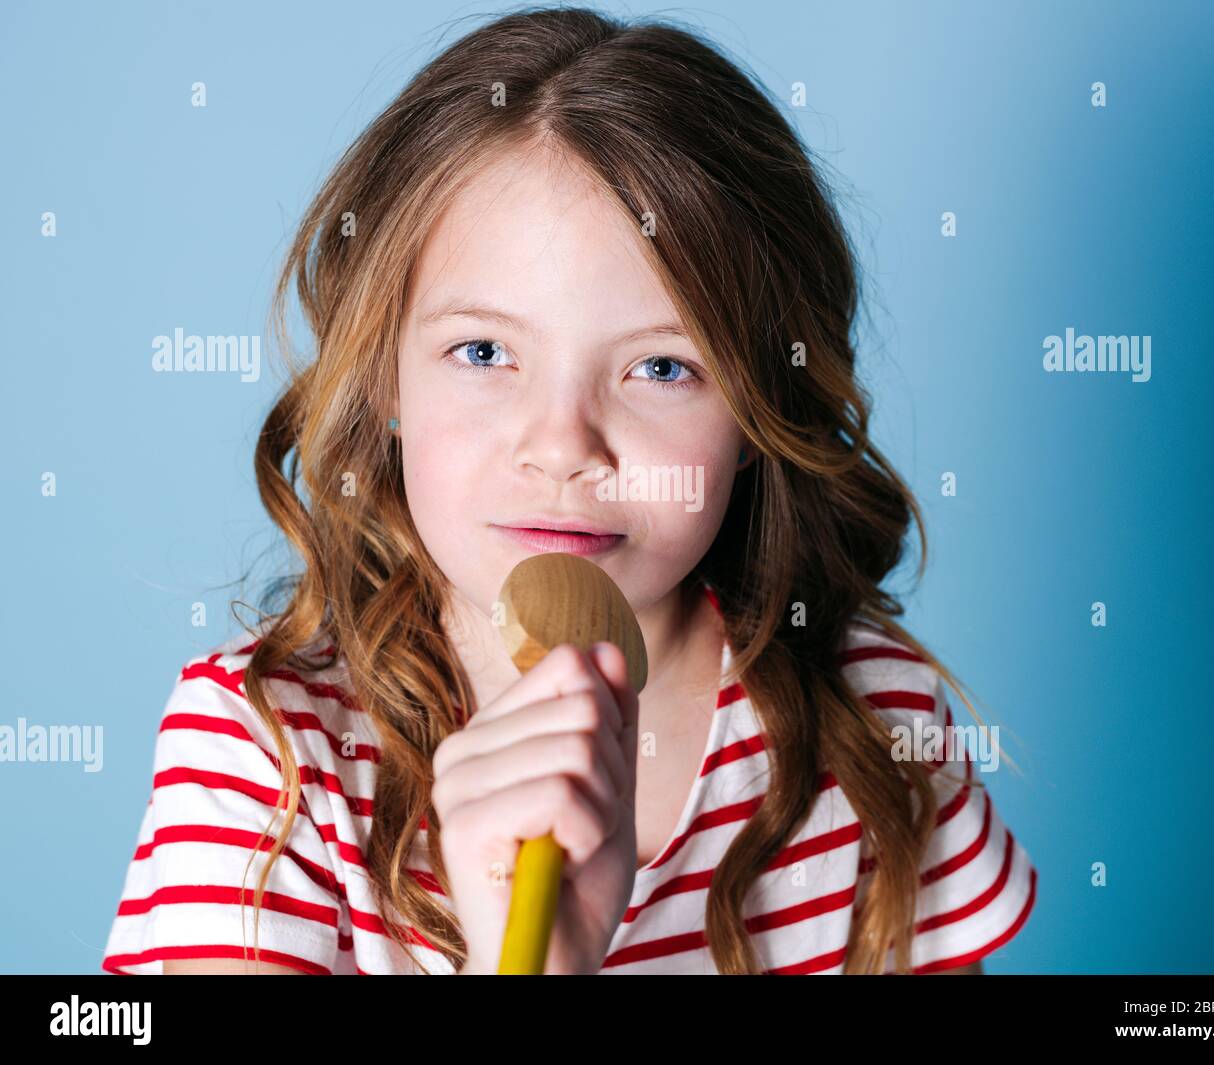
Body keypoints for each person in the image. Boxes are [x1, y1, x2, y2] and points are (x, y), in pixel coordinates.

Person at [103, 6, 1036, 976]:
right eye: (483, 351)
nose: (562, 448)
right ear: (385, 376)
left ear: (761, 407)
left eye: (663, 368)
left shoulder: (875, 718)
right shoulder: (265, 758)